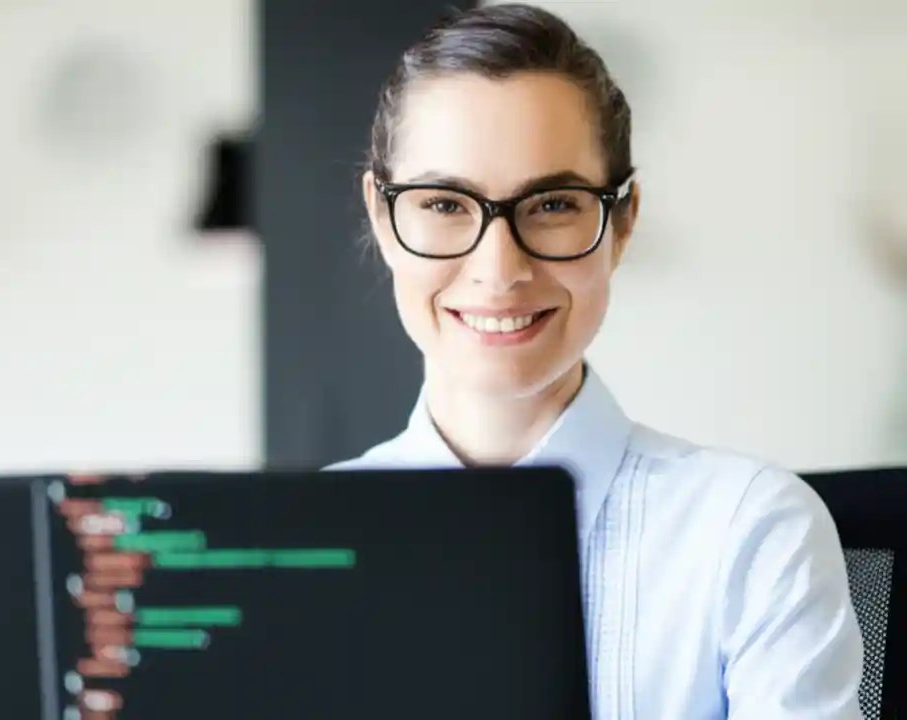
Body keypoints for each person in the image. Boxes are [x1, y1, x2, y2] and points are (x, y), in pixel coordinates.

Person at [328, 4, 865, 718]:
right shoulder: (303, 544)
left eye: (552, 204)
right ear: (381, 216)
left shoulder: (748, 530)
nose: (499, 269)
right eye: (444, 203)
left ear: (623, 221)